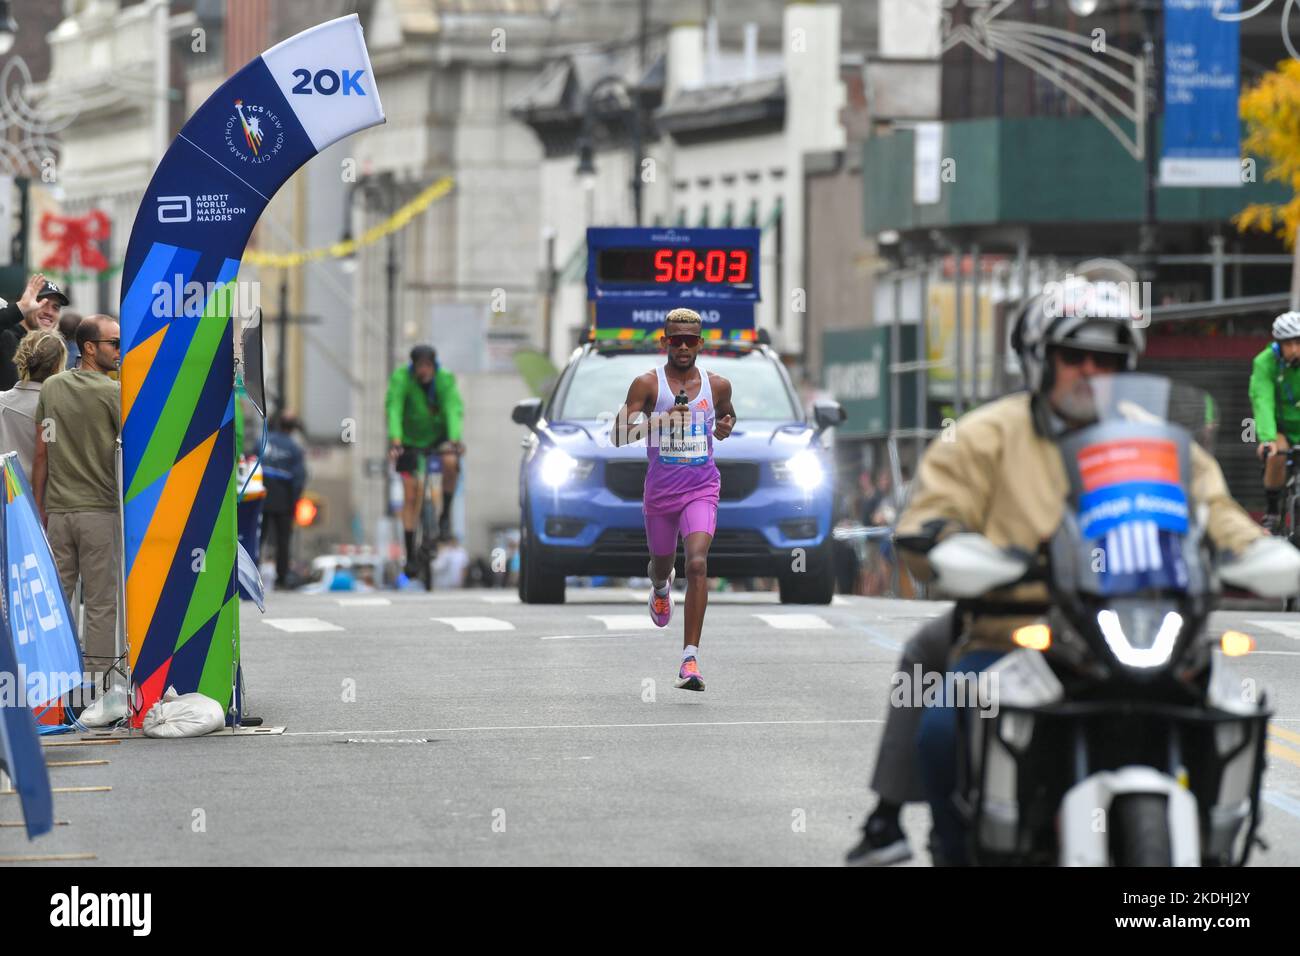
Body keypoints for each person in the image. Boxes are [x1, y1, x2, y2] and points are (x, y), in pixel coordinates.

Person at [846, 266, 1266, 867]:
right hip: (1018, 638)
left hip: (1142, 635)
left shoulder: (1165, 445)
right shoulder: (982, 436)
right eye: (1075, 355)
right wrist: (956, 551)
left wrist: (1259, 552)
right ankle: (956, 850)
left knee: (1235, 711)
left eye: (1109, 360)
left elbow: (1222, 518)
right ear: (1040, 358)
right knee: (943, 727)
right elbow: (928, 522)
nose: (1091, 372)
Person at [609, 308, 737, 691]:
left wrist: (726, 426)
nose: (682, 347)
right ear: (664, 342)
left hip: (702, 488)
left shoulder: (718, 386)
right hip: (661, 495)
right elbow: (617, 435)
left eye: (690, 340)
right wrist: (662, 421)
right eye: (675, 340)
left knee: (697, 563)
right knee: (662, 564)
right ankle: (662, 588)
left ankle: (689, 659)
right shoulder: (648, 385)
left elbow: (727, 416)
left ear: (701, 343)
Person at [31, 315, 122, 675]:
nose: (120, 350)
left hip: (57, 512)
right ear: (88, 347)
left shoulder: (51, 388)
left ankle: (48, 678)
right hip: (99, 510)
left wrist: (39, 507)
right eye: (113, 344)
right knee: (100, 603)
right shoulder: (114, 393)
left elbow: (41, 452)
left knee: (55, 600)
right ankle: (97, 685)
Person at [386, 344, 465, 575]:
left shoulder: (445, 379)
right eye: (419, 367)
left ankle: (444, 517)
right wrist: (396, 439)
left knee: (451, 463)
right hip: (408, 441)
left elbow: (453, 408)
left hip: (438, 438)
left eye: (427, 366)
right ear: (413, 366)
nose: (423, 372)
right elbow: (394, 408)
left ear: (434, 365)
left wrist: (454, 438)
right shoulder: (401, 379)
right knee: (410, 494)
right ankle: (410, 555)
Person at [1248, 311, 1300, 531]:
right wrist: (1267, 439)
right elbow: (1263, 400)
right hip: (1280, 427)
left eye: (1299, 342)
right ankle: (1272, 510)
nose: (1295, 350)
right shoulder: (1265, 362)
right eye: (1289, 344)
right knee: (1276, 453)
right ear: (1278, 344)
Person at [0, 329, 68, 477]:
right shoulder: (60, 407)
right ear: (57, 366)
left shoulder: (2, 400)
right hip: (42, 494)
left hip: (6, 491)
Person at [261, 412, 306, 590]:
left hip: (261, 496)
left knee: (259, 536)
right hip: (284, 499)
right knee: (283, 539)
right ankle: (282, 577)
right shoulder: (294, 448)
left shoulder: (263, 440)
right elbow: (299, 477)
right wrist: (294, 500)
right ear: (293, 428)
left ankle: (252, 572)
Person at [0, 274, 68, 390]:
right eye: (42, 304)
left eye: (55, 307)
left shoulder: (50, 348)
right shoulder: (6, 336)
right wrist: (20, 307)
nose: (49, 312)